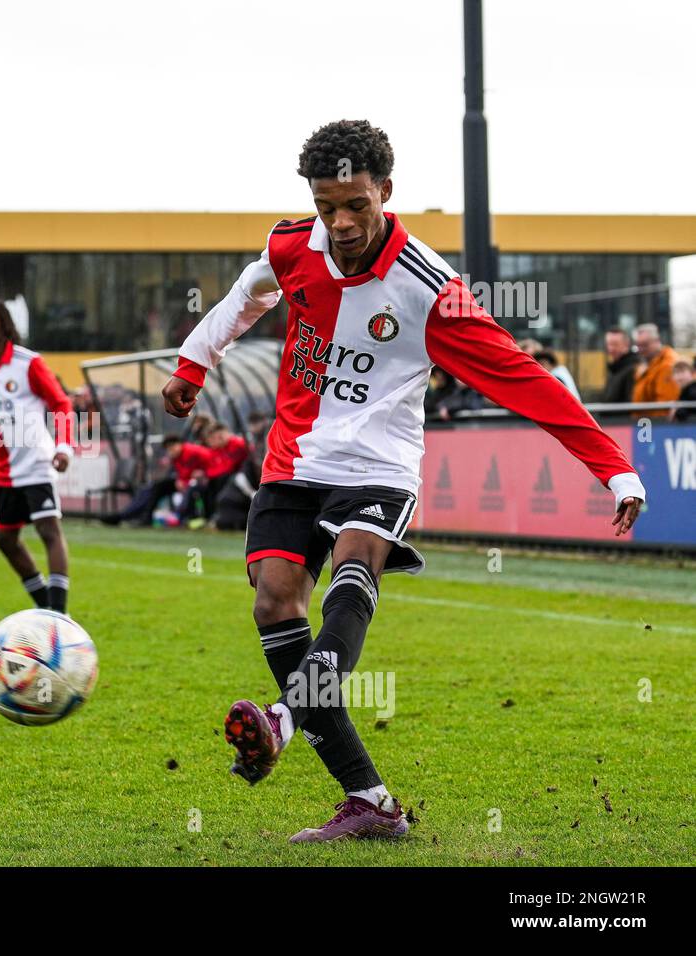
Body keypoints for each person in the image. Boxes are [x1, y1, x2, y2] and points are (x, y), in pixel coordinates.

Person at [161, 120, 646, 843]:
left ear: (386, 190)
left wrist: (613, 467)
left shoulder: (428, 288)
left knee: (354, 571)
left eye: (357, 203)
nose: (343, 221)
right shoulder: (294, 245)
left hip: (378, 466)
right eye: (329, 206)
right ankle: (372, 803)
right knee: (274, 604)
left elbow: (521, 376)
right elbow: (243, 296)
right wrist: (194, 364)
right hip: (295, 459)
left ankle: (284, 722)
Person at [0, 297, 75, 614]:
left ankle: (58, 615)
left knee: (49, 531)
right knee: (5, 539)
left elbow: (61, 403)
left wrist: (64, 447)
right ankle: (45, 606)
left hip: (36, 460)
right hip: (3, 467)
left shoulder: (28, 363)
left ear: (4, 325)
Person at [631, 324, 682, 410]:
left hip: (654, 422)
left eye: (645, 344)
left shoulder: (667, 366)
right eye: (638, 345)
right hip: (644, 421)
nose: (641, 349)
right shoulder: (647, 364)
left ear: (657, 341)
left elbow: (665, 407)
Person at [602, 327, 641, 404]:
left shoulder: (633, 368)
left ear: (626, 344)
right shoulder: (615, 368)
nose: (611, 349)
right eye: (608, 344)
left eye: (615, 344)